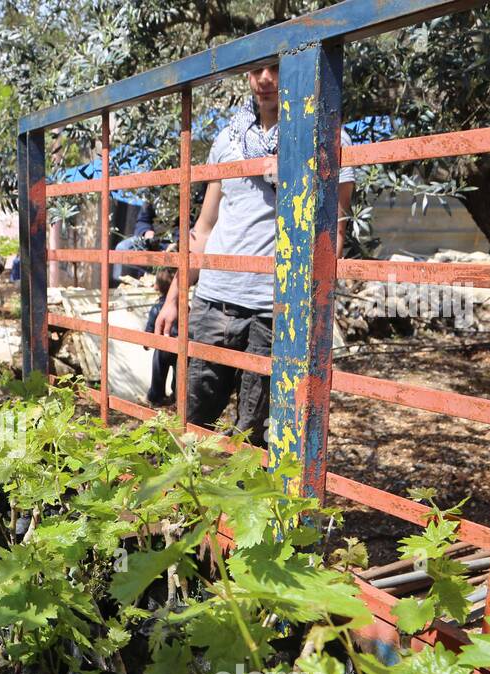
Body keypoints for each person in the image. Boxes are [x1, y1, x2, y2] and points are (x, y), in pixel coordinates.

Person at [152, 61, 355, 446]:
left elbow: (334, 236)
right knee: (191, 425)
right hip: (213, 303)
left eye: (276, 69)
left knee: (254, 438)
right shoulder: (229, 137)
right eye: (256, 70)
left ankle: (239, 508)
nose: (265, 79)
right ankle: (188, 507)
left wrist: (311, 307)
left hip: (272, 312)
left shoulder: (325, 137)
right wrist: (175, 296)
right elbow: (204, 226)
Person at [144, 267, 178, 406]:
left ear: (157, 286)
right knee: (179, 374)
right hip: (178, 346)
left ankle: (156, 396)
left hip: (162, 347)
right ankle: (177, 396)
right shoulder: (184, 307)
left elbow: (150, 328)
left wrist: (146, 343)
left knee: (158, 372)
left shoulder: (157, 308)